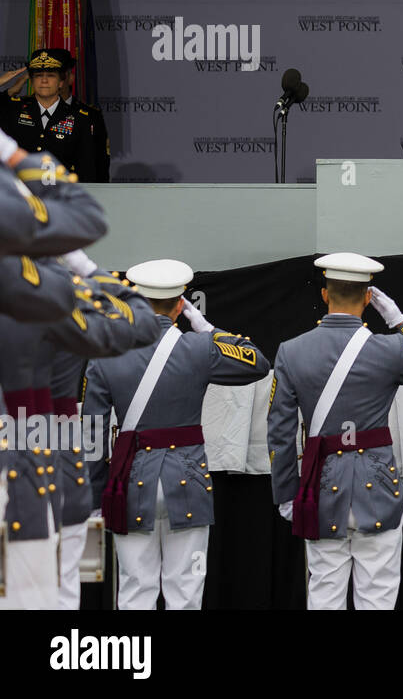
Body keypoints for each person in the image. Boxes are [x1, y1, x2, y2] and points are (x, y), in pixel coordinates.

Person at [83, 258, 270, 609]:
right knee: (186, 589)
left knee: (135, 588)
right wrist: (206, 328)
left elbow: (91, 435)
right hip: (187, 480)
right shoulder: (200, 349)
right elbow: (256, 361)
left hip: (131, 480)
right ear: (181, 303)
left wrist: (94, 498)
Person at [268, 253, 403, 609]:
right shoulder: (391, 348)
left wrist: (286, 492)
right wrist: (399, 320)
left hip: (320, 487)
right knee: (378, 595)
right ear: (369, 298)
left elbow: (279, 430)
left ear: (324, 294)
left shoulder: (291, 352)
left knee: (324, 592)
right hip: (376, 485)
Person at [0, 251, 156, 609]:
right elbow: (140, 320)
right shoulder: (75, 296)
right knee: (66, 585)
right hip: (63, 455)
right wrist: (85, 267)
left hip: (14, 445)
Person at [0, 50, 101, 181]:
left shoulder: (79, 117)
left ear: (60, 82)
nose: (44, 80)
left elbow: (86, 167)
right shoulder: (14, 109)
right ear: (31, 81)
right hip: (21, 195)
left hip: (60, 195)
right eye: (38, 75)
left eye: (51, 75)